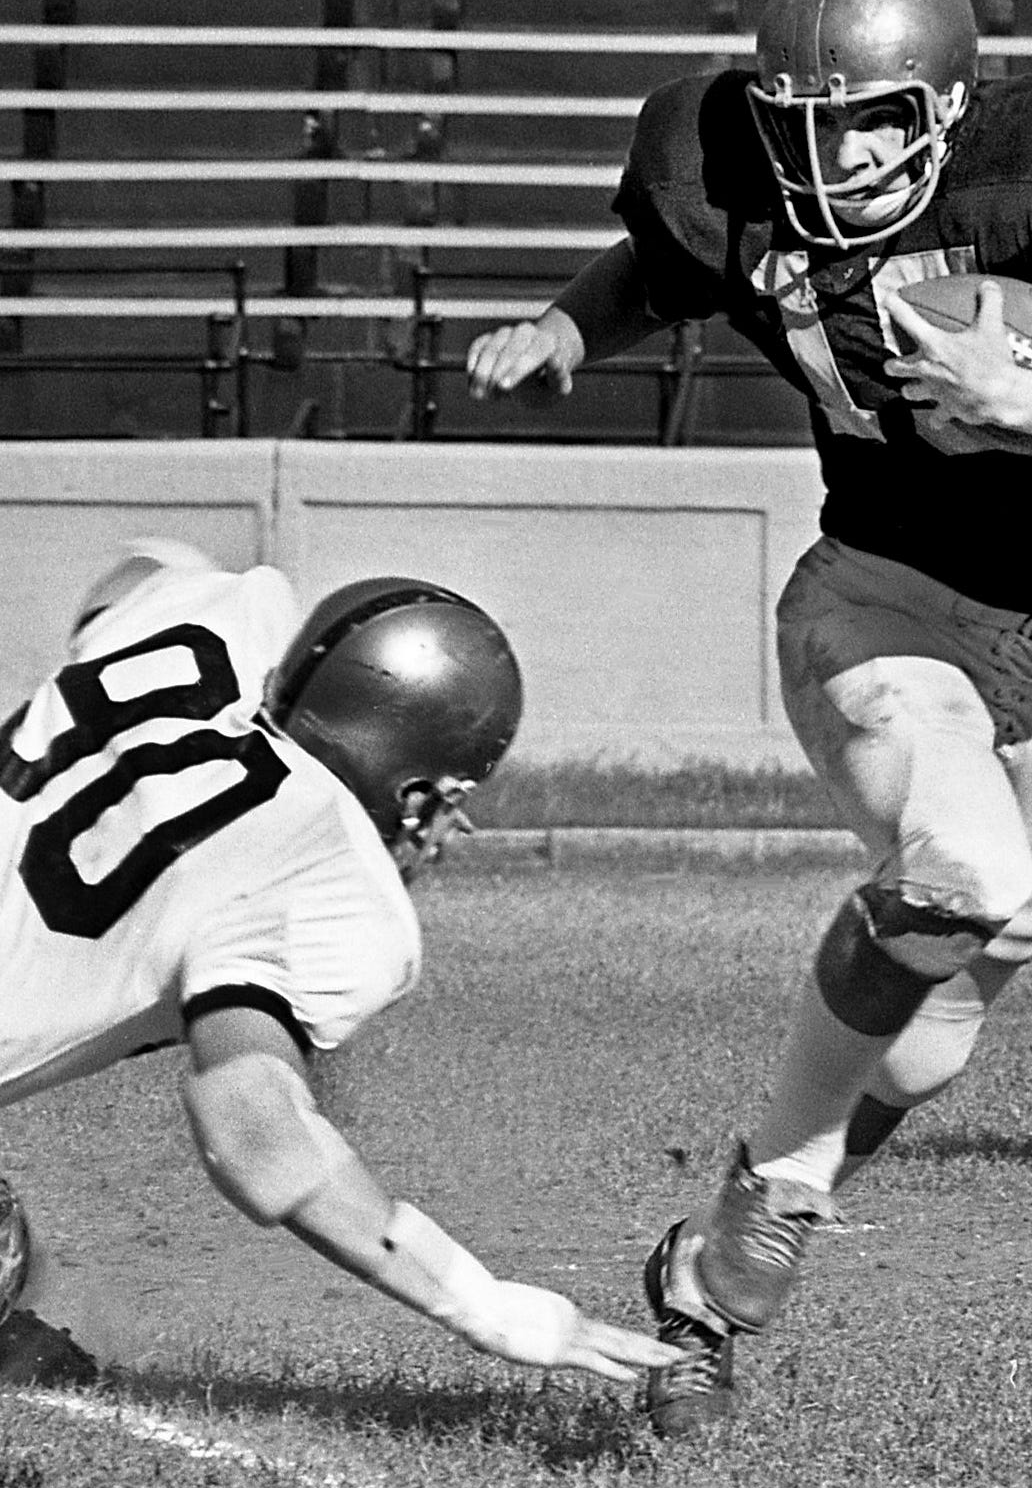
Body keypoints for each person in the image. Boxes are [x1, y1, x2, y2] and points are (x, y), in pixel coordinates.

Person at [462, 0, 1032, 1438]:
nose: (837, 157)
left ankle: (716, 1256)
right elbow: (664, 266)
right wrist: (569, 328)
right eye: (806, 122)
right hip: (876, 595)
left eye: (876, 122)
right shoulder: (719, 164)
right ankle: (762, 1231)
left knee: (939, 1035)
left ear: (949, 112)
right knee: (959, 872)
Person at [0, 538, 675, 1388]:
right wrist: (482, 1302)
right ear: (422, 792)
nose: (452, 830)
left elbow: (137, 570)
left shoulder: (213, 622)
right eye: (456, 800)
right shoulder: (325, 870)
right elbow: (253, 1135)